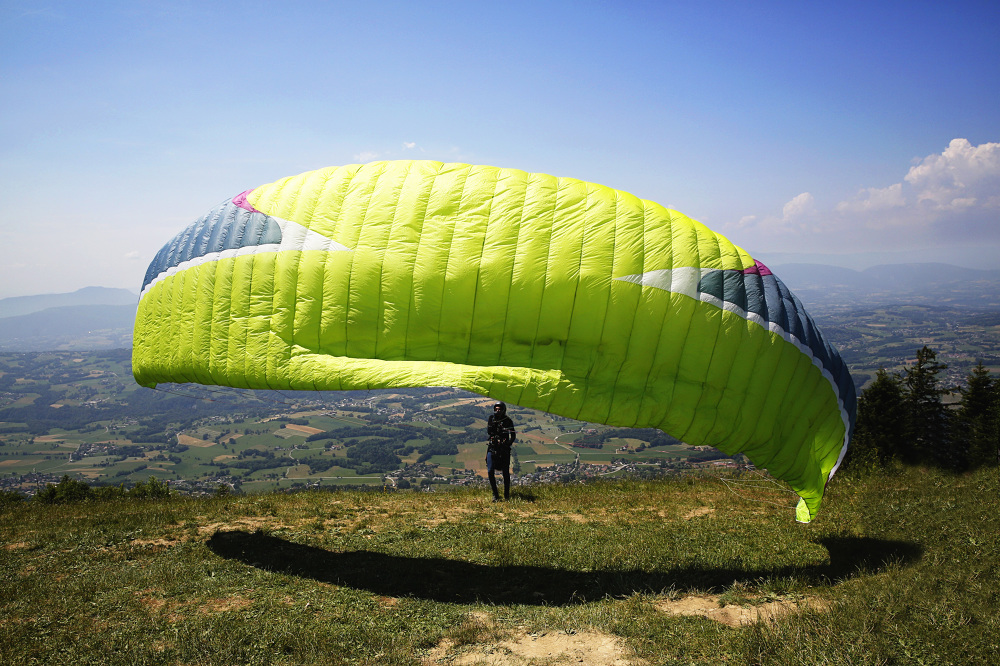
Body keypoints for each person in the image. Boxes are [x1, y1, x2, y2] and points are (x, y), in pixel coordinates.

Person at [486, 401, 516, 501]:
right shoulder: (491, 418)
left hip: (503, 449)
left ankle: (506, 495)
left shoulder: (508, 420)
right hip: (492, 447)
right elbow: (489, 431)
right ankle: (495, 495)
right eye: (496, 409)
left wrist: (507, 444)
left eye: (499, 409)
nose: (497, 411)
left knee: (505, 472)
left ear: (503, 410)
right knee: (490, 471)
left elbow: (513, 435)